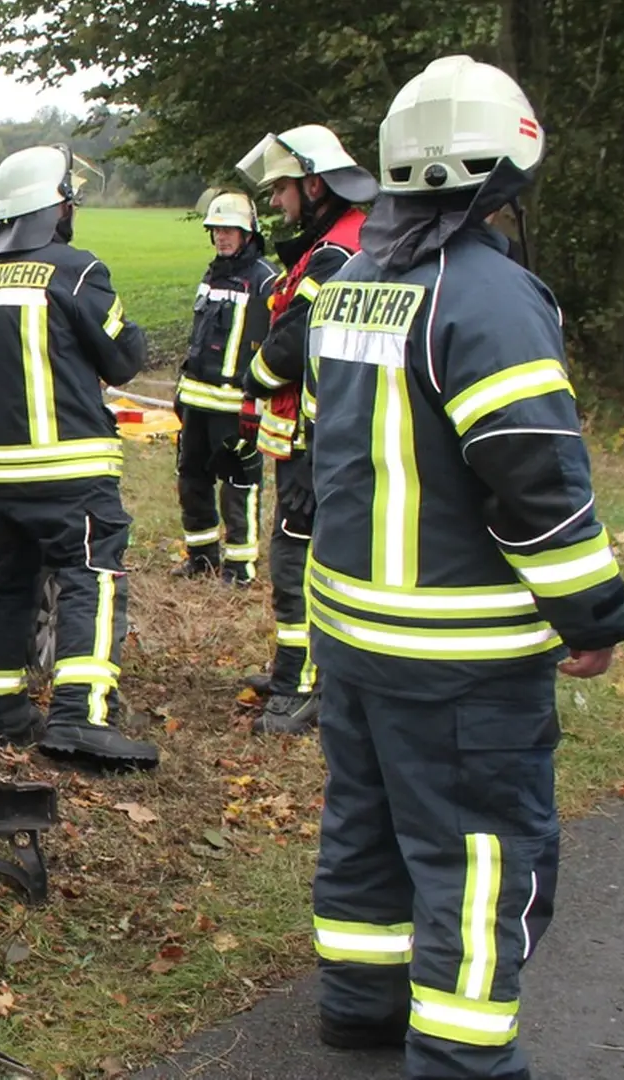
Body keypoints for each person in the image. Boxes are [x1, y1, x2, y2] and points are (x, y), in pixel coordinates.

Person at [302, 55, 624, 1079]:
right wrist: (592, 614)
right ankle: (464, 1056)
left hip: (351, 629)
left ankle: (361, 1005)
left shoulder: (351, 282)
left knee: (366, 820)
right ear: (507, 172)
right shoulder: (490, 299)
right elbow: (536, 479)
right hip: (458, 649)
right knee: (479, 855)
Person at [0, 144, 159, 769]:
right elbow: (125, 357)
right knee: (89, 578)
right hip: (71, 471)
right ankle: (82, 718)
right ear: (55, 206)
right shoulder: (77, 272)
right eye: (69, 199)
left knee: (2, 582)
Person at [234, 123, 378, 734]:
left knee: (300, 558)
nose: (275, 203)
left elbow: (292, 342)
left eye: (282, 190)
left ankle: (304, 684)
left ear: (314, 183)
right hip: (313, 436)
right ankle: (294, 665)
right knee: (295, 551)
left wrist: (254, 376)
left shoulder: (336, 253)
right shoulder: (342, 241)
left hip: (320, 438)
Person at [171, 191, 278, 586]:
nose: (222, 237)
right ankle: (200, 557)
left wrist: (258, 399)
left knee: (239, 484)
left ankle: (240, 567)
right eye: (216, 230)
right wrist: (181, 392)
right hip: (197, 400)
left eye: (230, 230)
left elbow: (275, 342)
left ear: (248, 232)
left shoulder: (266, 280)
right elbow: (198, 338)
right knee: (191, 479)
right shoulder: (211, 274)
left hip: (238, 405)